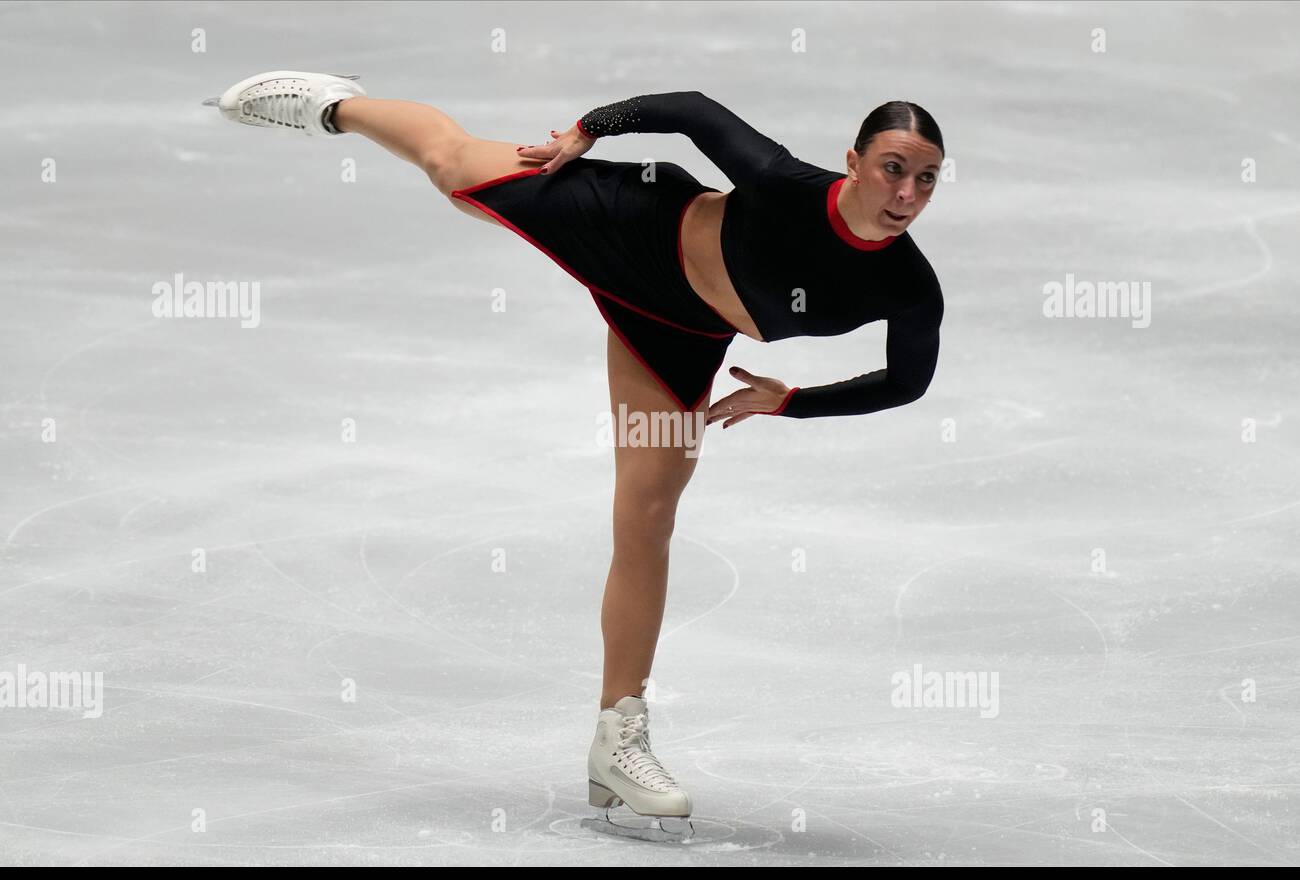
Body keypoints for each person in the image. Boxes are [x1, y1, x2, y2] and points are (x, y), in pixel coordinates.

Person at [208, 72, 946, 839]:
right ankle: (332, 105)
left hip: (679, 334)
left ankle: (617, 737)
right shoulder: (782, 182)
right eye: (893, 167)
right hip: (628, 225)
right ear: (854, 162)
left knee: (649, 515)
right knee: (454, 171)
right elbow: (691, 111)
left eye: (926, 178)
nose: (906, 192)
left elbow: (908, 379)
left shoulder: (908, 285)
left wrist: (788, 400)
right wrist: (587, 130)